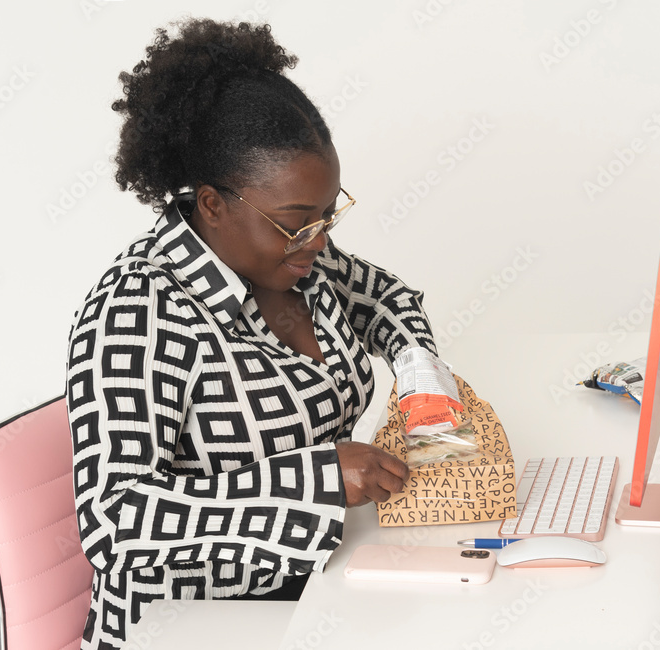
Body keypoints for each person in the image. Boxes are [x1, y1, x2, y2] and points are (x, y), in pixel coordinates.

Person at [65, 18, 440, 650]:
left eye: (327, 216)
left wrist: (417, 366)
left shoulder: (297, 260)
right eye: (297, 222)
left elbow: (386, 300)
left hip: (316, 589)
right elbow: (115, 523)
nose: (319, 241)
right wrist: (316, 481)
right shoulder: (139, 309)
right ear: (212, 204)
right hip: (198, 623)